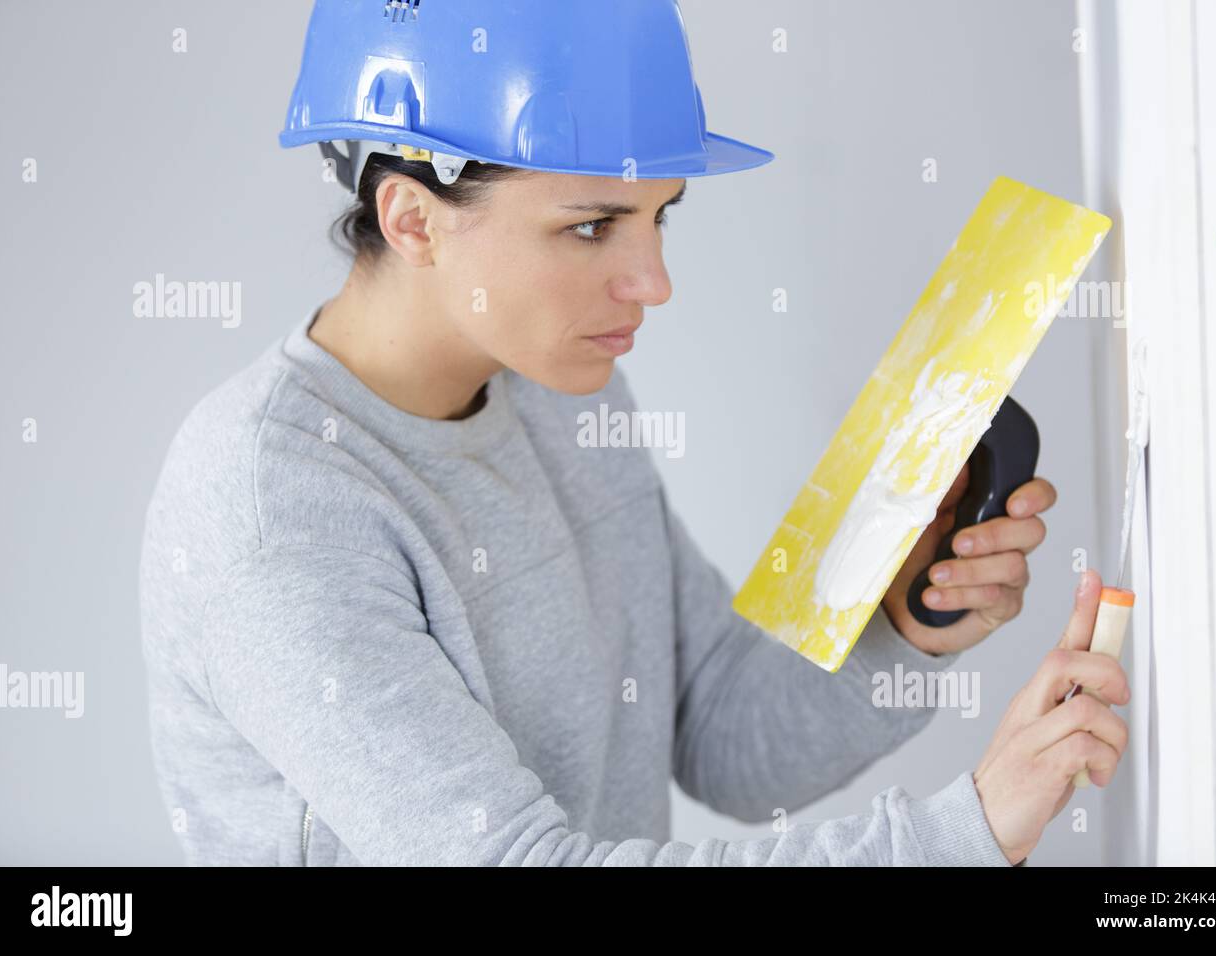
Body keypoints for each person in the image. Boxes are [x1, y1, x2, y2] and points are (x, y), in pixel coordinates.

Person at [138, 0, 1128, 865]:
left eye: (662, 217)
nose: (652, 281)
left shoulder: (558, 390)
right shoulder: (276, 507)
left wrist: (903, 621)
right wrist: (968, 830)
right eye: (589, 226)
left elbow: (723, 735)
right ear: (413, 221)